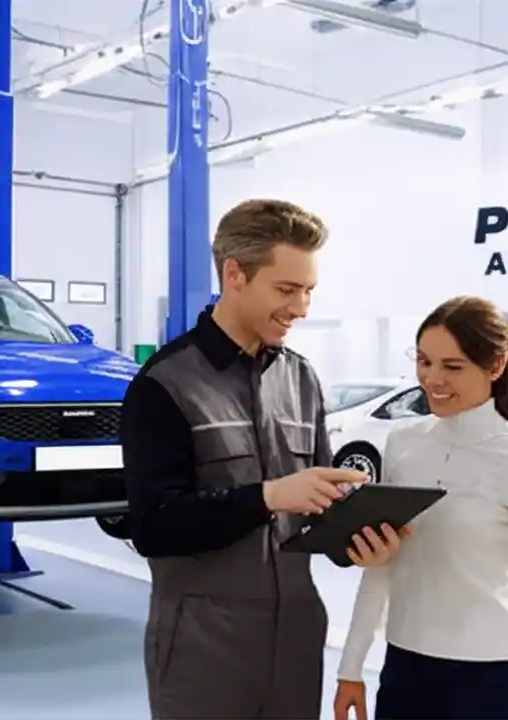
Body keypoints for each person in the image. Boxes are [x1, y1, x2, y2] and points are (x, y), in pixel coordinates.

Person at [121, 198, 407, 720]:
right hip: (203, 645)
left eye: (308, 291)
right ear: (235, 274)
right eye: (287, 289)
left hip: (296, 637)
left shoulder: (301, 379)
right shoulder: (164, 384)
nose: (301, 308)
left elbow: (319, 513)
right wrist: (269, 497)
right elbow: (155, 527)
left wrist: (358, 543)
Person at [332, 295, 508, 720]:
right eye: (424, 361)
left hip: (488, 680)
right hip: (404, 669)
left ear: (495, 366)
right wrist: (351, 667)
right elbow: (383, 567)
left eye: (452, 366)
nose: (432, 379)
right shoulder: (403, 445)